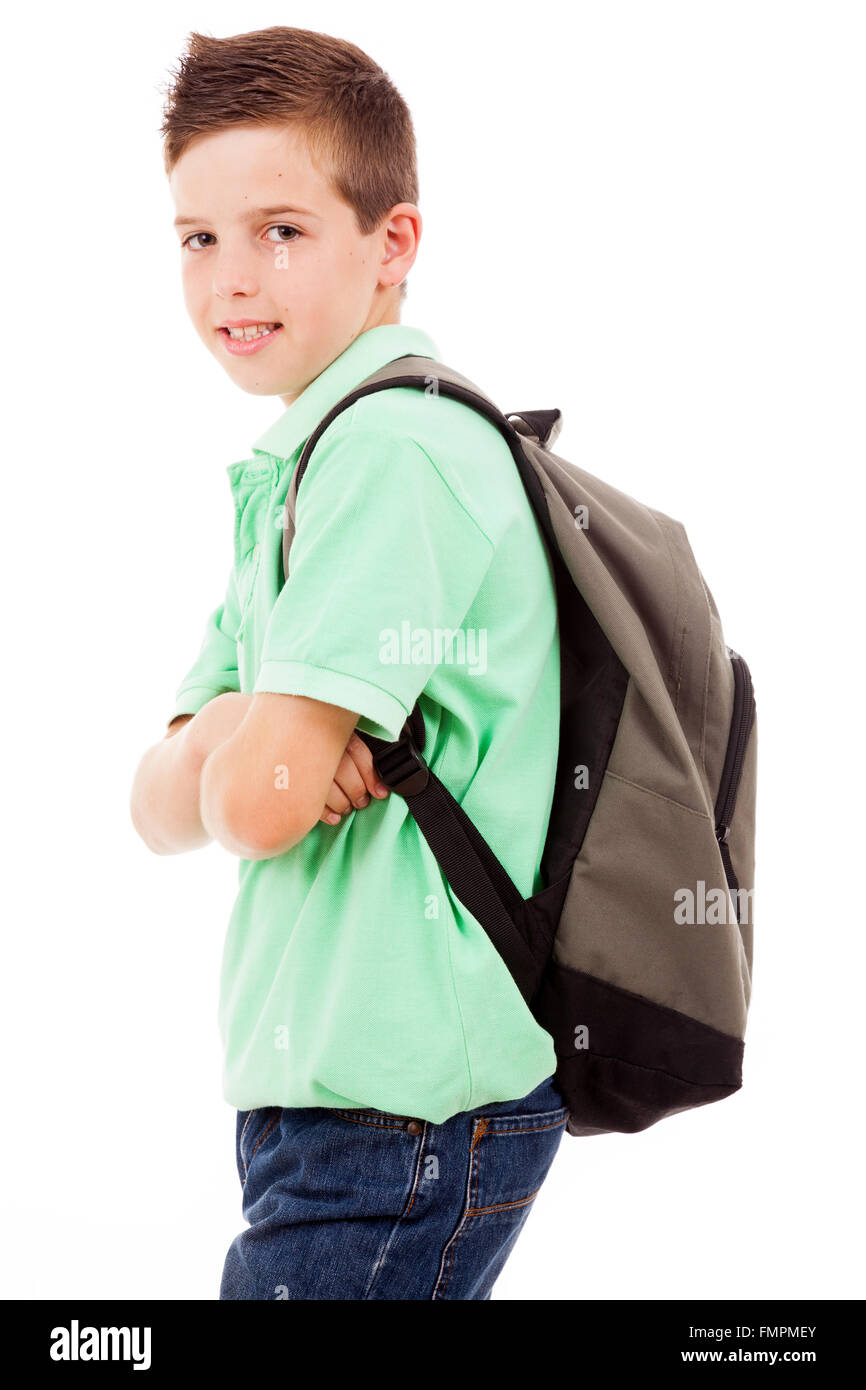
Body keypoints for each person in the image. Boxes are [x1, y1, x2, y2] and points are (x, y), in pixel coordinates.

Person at [130, 25, 567, 1300]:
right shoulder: (297, 469)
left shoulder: (394, 452)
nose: (228, 279)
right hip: (326, 1103)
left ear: (392, 246)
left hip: (407, 1111)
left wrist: (244, 753)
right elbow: (156, 802)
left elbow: (254, 810)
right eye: (196, 237)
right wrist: (238, 744)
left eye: (280, 229)